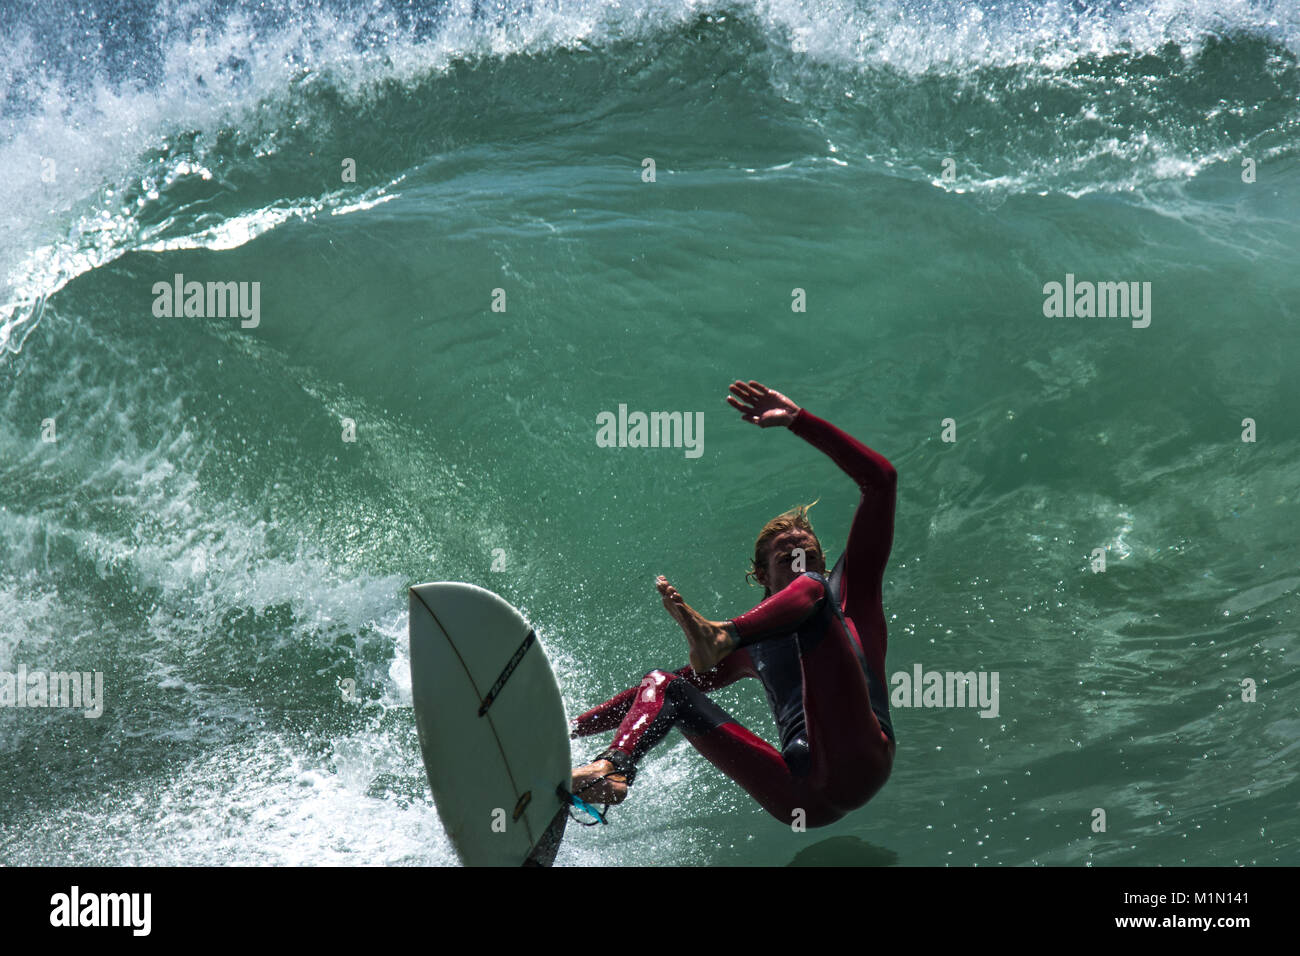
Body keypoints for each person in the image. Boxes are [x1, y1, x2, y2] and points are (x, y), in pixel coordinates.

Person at [569, 380, 897, 828]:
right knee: (665, 685)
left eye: (810, 554)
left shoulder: (847, 594)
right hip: (800, 794)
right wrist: (569, 727)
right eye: (787, 556)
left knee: (815, 593)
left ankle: (720, 631)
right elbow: (645, 699)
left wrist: (801, 421)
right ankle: (610, 771)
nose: (802, 560)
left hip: (860, 761)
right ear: (761, 576)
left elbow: (881, 481)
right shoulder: (752, 650)